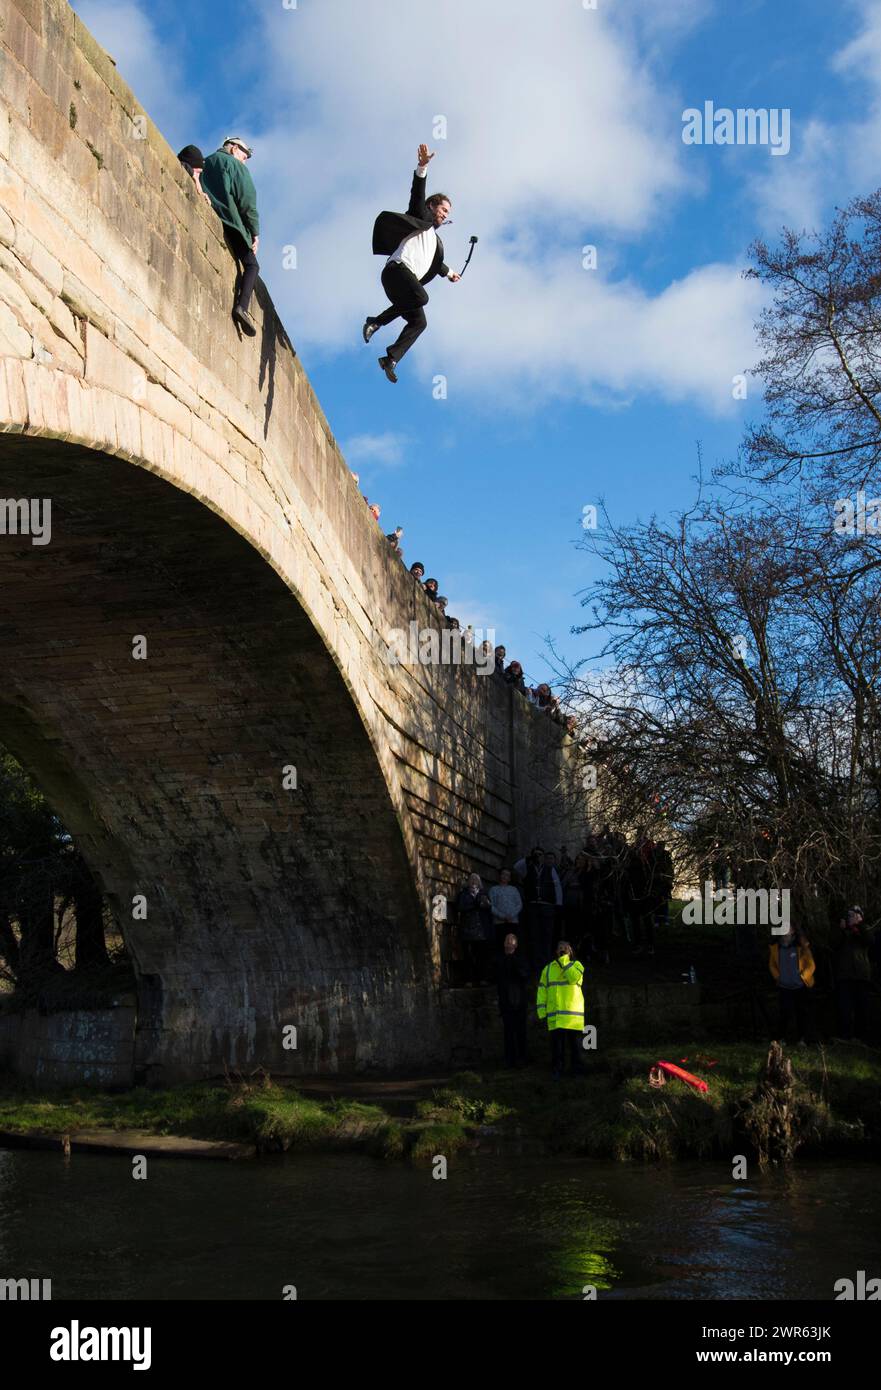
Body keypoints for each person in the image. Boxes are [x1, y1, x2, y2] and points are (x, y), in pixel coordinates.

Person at [364, 142, 462, 383]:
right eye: (443, 209)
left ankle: (390, 359)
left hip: (405, 288)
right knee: (422, 298)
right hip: (396, 272)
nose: (445, 214)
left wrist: (450, 273)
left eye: (448, 212)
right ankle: (376, 321)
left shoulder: (433, 242)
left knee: (420, 321)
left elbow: (436, 264)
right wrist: (422, 168)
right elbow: (417, 194)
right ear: (432, 206)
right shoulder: (421, 218)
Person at [200, 136, 260, 337]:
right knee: (252, 265)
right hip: (230, 221)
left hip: (210, 211)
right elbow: (247, 203)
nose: (246, 160)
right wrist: (255, 233)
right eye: (245, 154)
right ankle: (242, 308)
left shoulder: (206, 162)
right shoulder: (235, 166)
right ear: (234, 149)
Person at [537, 940, 585, 1079]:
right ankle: (557, 1071)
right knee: (557, 1049)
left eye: (565, 948)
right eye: (560, 948)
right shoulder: (548, 969)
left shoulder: (577, 966)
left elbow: (573, 978)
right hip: (555, 1016)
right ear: (555, 951)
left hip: (572, 1016)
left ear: (571, 951)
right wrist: (541, 1011)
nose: (562, 950)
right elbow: (542, 991)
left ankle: (577, 1072)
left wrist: (564, 960)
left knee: (576, 1047)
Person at [515, 848, 562, 975]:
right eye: (536, 854)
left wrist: (558, 904)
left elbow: (557, 886)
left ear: (544, 857)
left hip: (547, 906)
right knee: (533, 936)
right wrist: (529, 858)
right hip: (532, 907)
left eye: (540, 854)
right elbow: (516, 867)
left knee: (546, 935)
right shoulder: (527, 869)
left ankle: (546, 964)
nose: (538, 857)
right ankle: (535, 965)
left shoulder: (549, 869)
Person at [768, 926, 815, 1043]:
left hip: (800, 987)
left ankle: (803, 1040)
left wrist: (803, 977)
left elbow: (811, 965)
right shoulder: (775, 947)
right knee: (784, 1014)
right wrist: (778, 977)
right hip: (784, 987)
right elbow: (772, 965)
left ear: (793, 930)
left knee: (802, 1014)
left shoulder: (802, 946)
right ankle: (780, 1040)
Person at [834, 907, 874, 1042]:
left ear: (860, 917)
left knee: (862, 1008)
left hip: (861, 976)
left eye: (854, 915)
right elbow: (834, 944)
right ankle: (845, 1036)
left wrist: (860, 925)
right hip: (844, 976)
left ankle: (861, 1037)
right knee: (844, 1007)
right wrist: (841, 929)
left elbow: (870, 941)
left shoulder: (864, 930)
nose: (851, 917)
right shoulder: (843, 932)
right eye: (849, 915)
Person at [496, 933, 530, 1068]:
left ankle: (522, 1058)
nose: (509, 942)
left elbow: (524, 975)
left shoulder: (521, 959)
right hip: (505, 1000)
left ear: (516, 944)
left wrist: (514, 962)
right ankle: (509, 1059)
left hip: (519, 999)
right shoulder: (499, 959)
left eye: (512, 940)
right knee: (508, 1031)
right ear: (504, 943)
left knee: (521, 1030)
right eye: (507, 940)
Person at [456, 874, 494, 986]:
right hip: (467, 929)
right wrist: (476, 905)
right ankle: (469, 980)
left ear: (479, 882)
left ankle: (482, 978)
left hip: (481, 930)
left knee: (482, 956)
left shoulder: (484, 893)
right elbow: (460, 907)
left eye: (476, 880)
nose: (473, 881)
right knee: (468, 956)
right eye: (472, 879)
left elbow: (489, 908)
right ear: (468, 882)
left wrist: (486, 904)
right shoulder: (463, 894)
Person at [489, 869, 523, 949]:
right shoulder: (493, 889)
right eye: (503, 874)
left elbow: (519, 904)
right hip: (499, 922)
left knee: (513, 944)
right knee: (500, 944)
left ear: (509, 878)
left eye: (507, 875)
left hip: (513, 921)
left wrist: (511, 915)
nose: (505, 876)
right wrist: (502, 916)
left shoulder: (514, 889)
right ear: (500, 876)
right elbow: (491, 906)